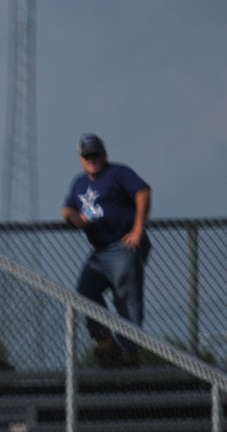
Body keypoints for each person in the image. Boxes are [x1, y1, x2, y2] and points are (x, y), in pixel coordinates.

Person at [63, 133, 152, 368]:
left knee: (125, 298)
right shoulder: (80, 182)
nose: (92, 159)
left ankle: (129, 352)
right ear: (81, 158)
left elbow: (143, 191)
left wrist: (138, 229)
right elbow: (67, 208)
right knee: (85, 292)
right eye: (87, 155)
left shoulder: (117, 173)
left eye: (96, 154)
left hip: (123, 244)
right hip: (101, 250)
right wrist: (74, 218)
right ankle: (105, 342)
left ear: (105, 154)